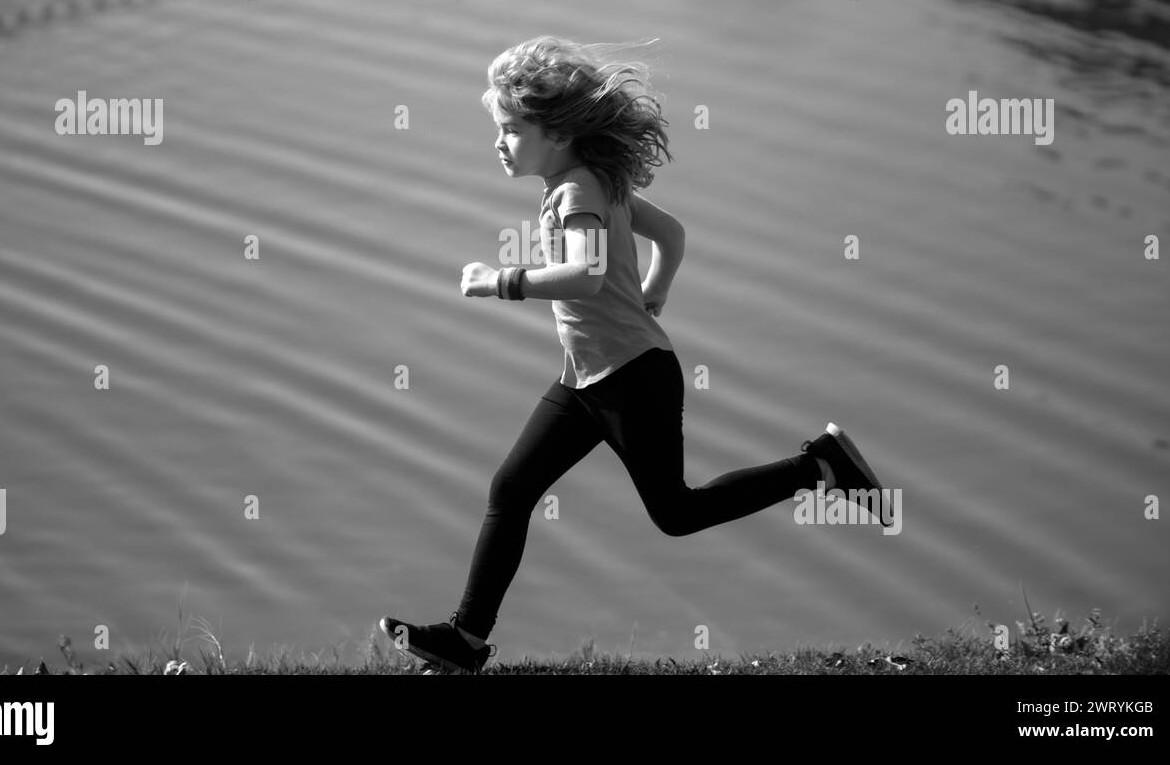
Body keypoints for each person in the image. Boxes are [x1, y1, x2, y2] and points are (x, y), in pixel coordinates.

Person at [380, 34, 890, 673]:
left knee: (675, 512)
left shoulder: (576, 192)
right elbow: (672, 235)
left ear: (557, 134)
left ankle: (820, 466)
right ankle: (465, 640)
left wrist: (499, 280)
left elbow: (586, 276)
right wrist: (655, 289)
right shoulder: (598, 178)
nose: (499, 142)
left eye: (511, 130)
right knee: (511, 489)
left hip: (629, 379)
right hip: (591, 376)